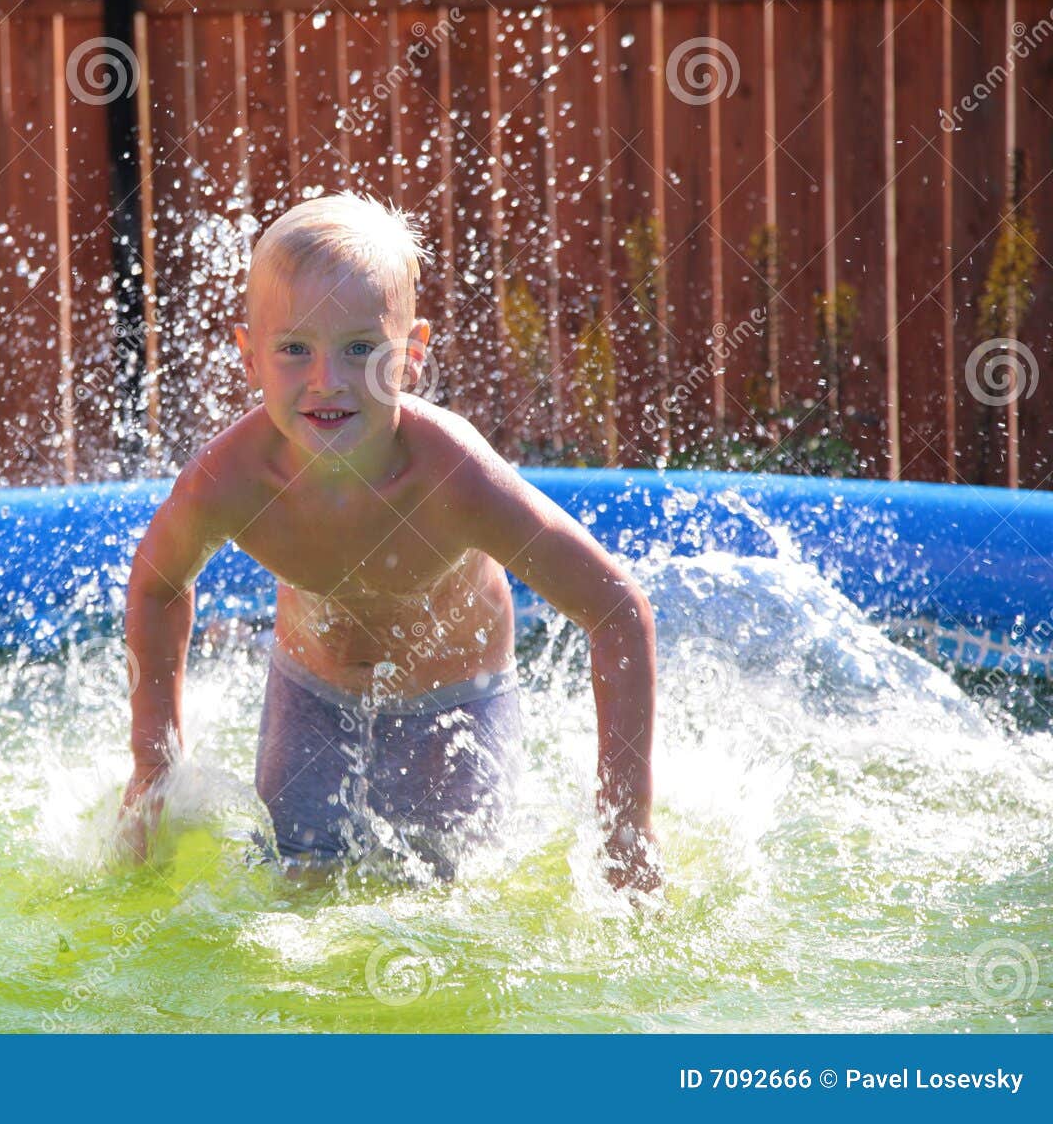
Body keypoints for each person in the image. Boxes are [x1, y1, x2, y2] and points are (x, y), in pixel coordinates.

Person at [117, 191, 658, 890]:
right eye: (294, 349)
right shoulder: (230, 482)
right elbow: (158, 585)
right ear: (248, 357)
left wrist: (627, 822)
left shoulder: (454, 479)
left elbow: (616, 607)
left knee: (450, 907)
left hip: (454, 707)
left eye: (360, 348)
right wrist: (153, 761)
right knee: (288, 900)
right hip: (310, 701)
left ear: (411, 356)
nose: (327, 380)